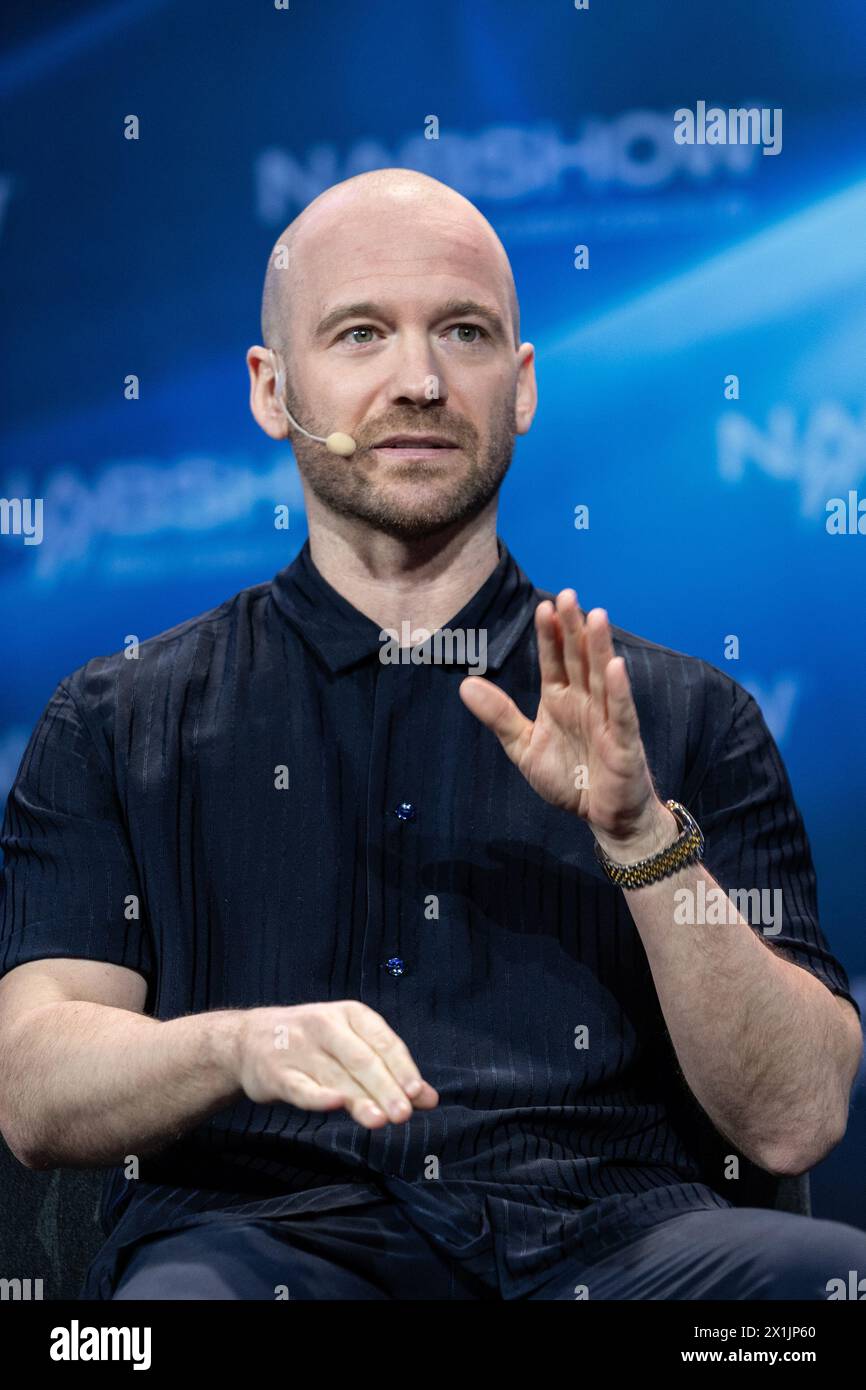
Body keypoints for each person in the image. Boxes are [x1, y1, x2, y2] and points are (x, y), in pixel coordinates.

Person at [0, 169, 863, 1302]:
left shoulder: (684, 717)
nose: (417, 381)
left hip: (623, 1254)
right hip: (266, 1247)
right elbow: (32, 1086)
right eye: (360, 333)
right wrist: (233, 1047)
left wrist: (644, 839)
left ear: (519, 387)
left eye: (461, 332)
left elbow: (794, 1117)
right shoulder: (116, 721)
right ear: (271, 389)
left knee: (823, 1296)